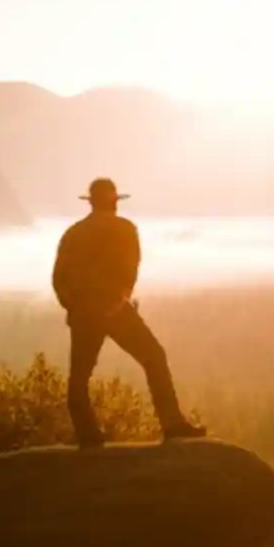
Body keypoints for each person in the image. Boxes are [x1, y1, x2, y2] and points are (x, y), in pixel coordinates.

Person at [52, 177, 206, 448]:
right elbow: (129, 269)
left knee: (79, 378)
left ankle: (88, 435)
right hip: (115, 308)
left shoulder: (73, 233)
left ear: (90, 202)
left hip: (83, 313)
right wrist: (119, 300)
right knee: (154, 357)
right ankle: (171, 424)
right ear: (114, 202)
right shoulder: (124, 229)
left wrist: (75, 307)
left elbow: (58, 278)